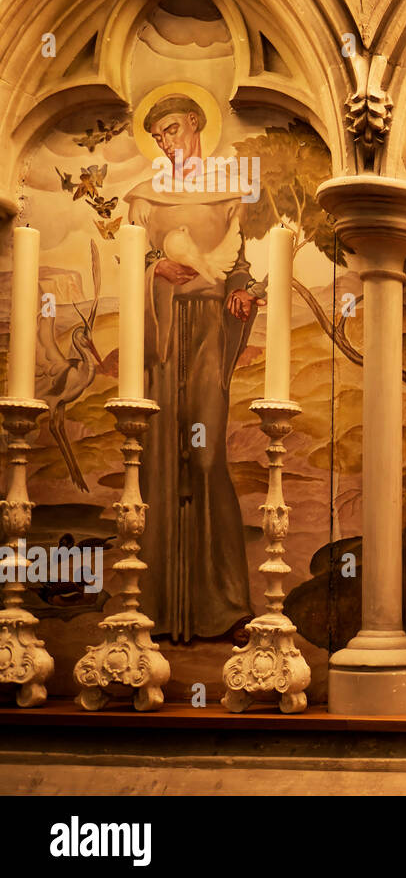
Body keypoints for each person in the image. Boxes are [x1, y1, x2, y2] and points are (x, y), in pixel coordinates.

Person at [124, 93, 261, 642]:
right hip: (161, 336)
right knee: (158, 458)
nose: (166, 141)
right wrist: (157, 269)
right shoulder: (143, 200)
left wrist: (238, 293)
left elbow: (240, 265)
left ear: (198, 125)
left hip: (207, 332)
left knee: (205, 458)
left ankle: (222, 604)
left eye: (173, 129)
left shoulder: (229, 194)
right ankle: (151, 602)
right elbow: (134, 262)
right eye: (157, 135)